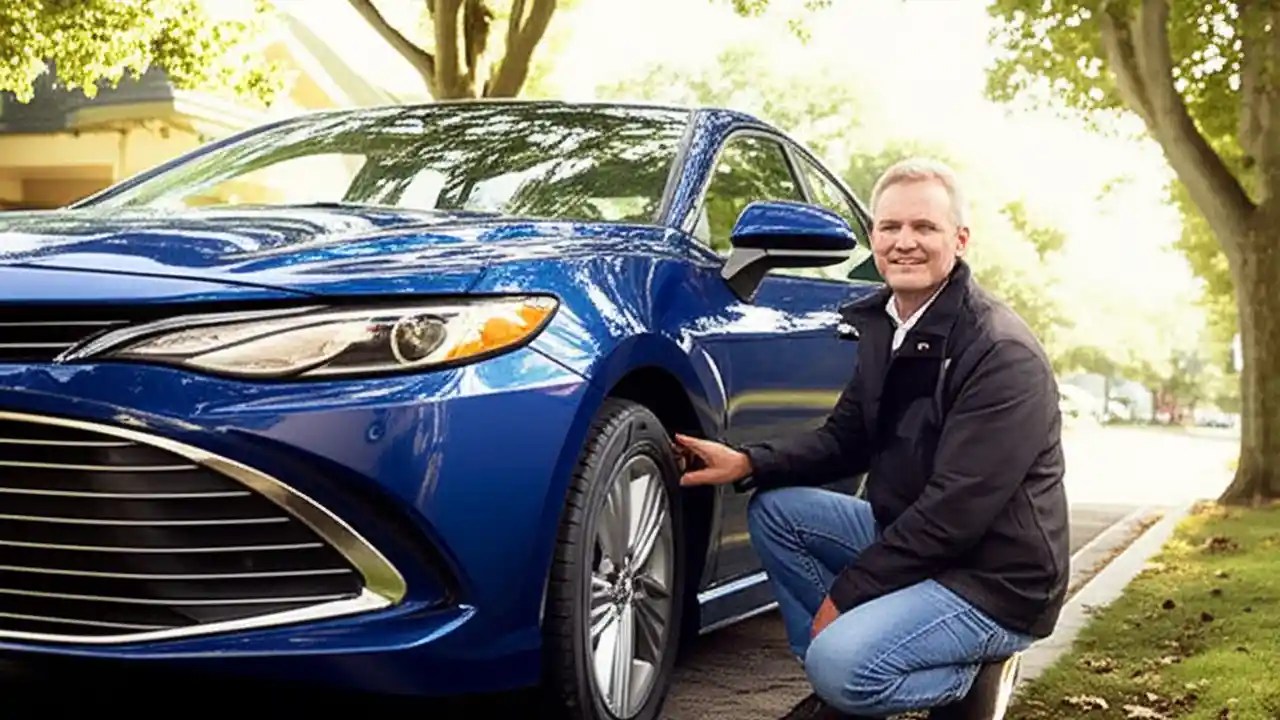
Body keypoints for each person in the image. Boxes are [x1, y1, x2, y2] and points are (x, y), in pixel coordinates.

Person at [674, 158, 1069, 720]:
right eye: (890, 228)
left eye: (924, 228)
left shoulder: (1001, 354)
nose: (905, 242)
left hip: (994, 578)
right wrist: (746, 461)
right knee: (778, 510)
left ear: (959, 240)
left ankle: (969, 676)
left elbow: (954, 514)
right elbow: (844, 440)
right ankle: (843, 681)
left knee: (839, 662)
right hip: (915, 539)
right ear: (872, 237)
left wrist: (848, 595)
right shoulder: (886, 326)